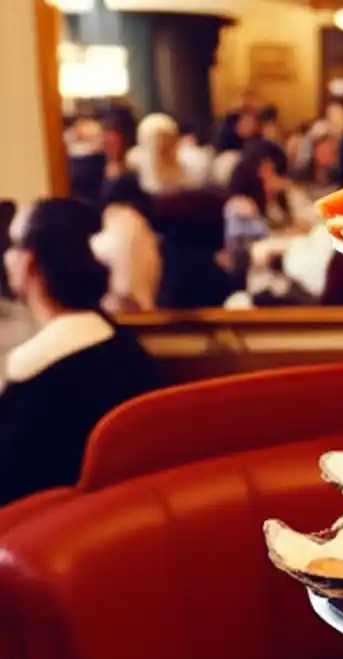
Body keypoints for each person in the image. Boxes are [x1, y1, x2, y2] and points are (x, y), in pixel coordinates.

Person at [1, 198, 160, 504]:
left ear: (30, 262)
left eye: (13, 245)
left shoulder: (34, 376)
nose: (7, 256)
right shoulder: (126, 347)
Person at [221, 141, 292, 291]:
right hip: (251, 278)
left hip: (279, 271)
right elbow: (249, 249)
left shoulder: (274, 204)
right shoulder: (239, 206)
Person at [92, 174, 161, 313]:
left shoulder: (106, 236)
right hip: (146, 312)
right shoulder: (147, 233)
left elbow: (123, 288)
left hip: (115, 314)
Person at [127, 113, 200, 195]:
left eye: (170, 141)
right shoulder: (133, 163)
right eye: (157, 140)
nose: (163, 144)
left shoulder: (189, 165)